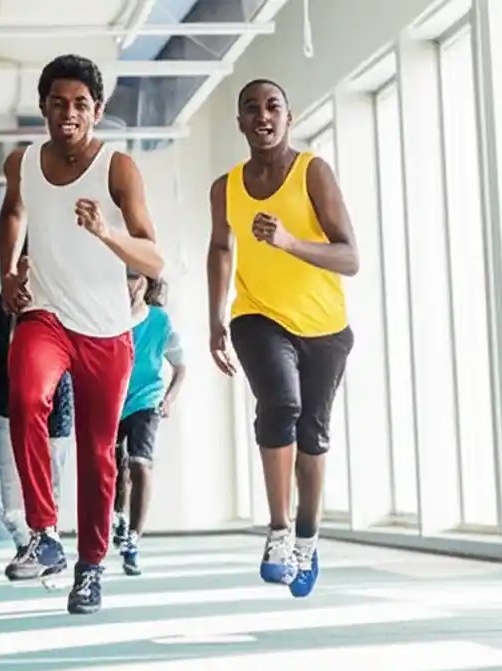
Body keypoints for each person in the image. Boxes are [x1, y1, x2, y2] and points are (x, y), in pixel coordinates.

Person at [0, 54, 164, 615]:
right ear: (43, 107)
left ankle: (91, 566)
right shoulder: (22, 163)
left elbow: (154, 257)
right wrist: (8, 271)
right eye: (58, 103)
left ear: (97, 110)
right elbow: (13, 212)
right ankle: (44, 534)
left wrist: (106, 232)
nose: (68, 113)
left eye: (80, 104)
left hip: (105, 328)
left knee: (98, 454)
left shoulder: (118, 168)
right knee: (26, 397)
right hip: (45, 314)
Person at [207, 79, 358, 599]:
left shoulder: (313, 171)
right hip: (257, 316)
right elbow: (220, 248)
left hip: (324, 326)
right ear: (241, 123)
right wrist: (215, 318)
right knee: (280, 405)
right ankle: (278, 531)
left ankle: (307, 540)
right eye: (252, 108)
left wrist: (290, 242)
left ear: (288, 118)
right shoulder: (225, 187)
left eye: (273, 106)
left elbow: (350, 257)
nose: (263, 115)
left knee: (313, 434)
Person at [0, 292, 74, 559]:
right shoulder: (1, 306)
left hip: (55, 408)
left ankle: (47, 543)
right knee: (10, 491)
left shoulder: (63, 302)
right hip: (7, 406)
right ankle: (25, 544)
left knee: (49, 483)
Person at [111, 273, 186, 575]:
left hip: (146, 400)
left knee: (140, 463)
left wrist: (169, 399)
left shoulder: (160, 321)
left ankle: (133, 540)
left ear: (145, 283)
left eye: (134, 278)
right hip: (112, 400)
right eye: (124, 278)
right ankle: (119, 516)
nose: (128, 285)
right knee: (115, 468)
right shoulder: (108, 316)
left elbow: (180, 366)